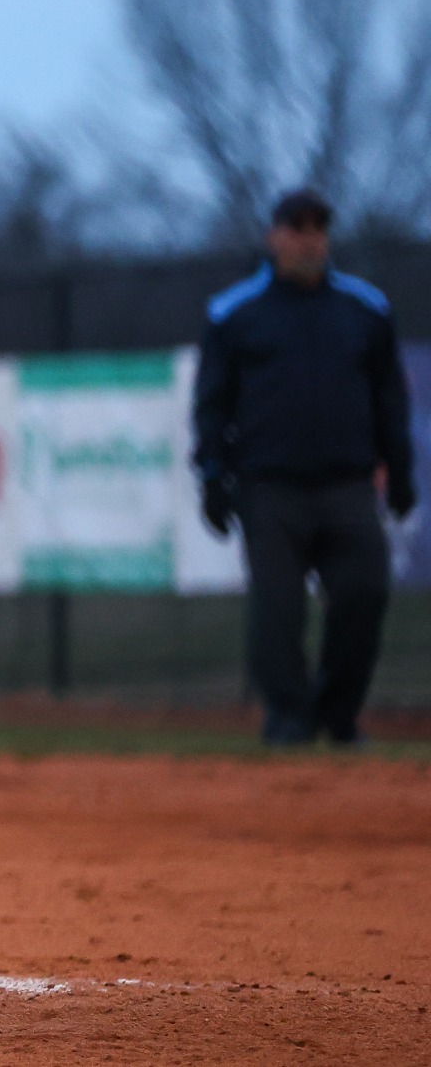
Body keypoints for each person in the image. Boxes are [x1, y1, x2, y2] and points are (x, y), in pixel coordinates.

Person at [193, 188, 416, 746]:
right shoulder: (234, 312)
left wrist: (402, 469)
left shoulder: (365, 309)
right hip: (269, 488)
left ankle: (338, 715)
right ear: (274, 237)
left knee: (364, 594)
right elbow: (212, 403)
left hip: (347, 484)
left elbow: (390, 399)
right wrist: (213, 475)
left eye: (318, 227)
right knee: (278, 611)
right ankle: (289, 717)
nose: (309, 238)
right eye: (296, 227)